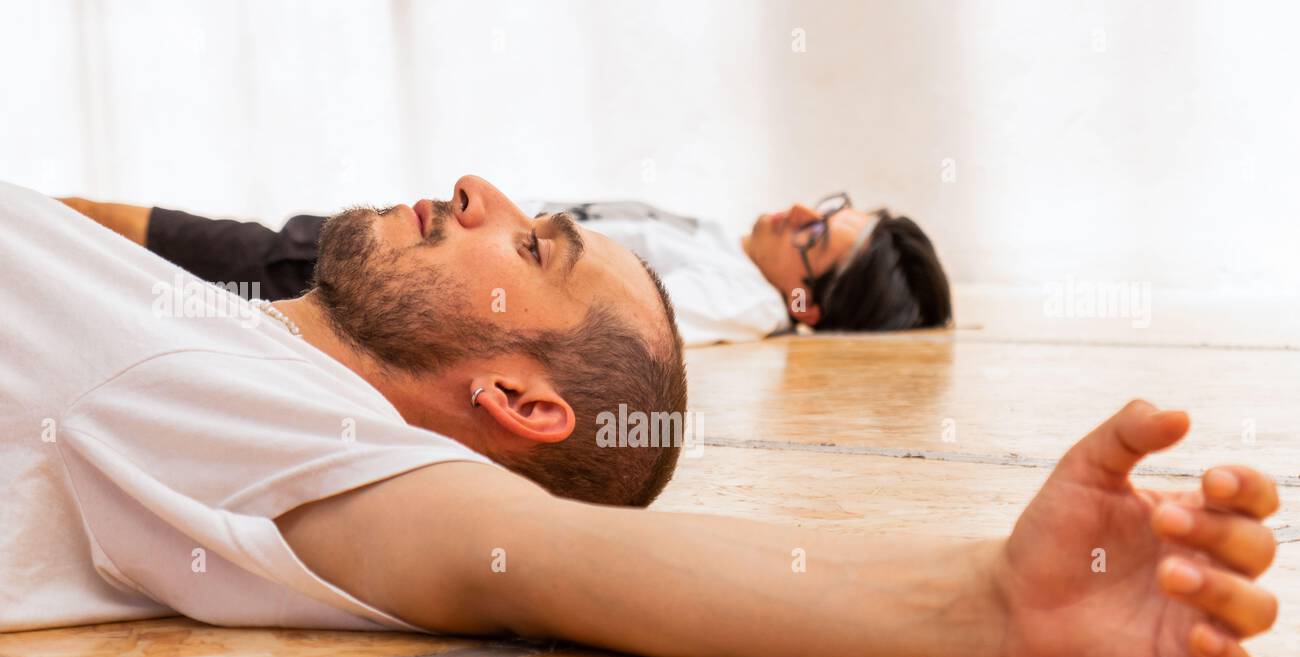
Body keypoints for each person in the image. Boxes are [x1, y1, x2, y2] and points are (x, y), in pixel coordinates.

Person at [3, 177, 1277, 657]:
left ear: (519, 404)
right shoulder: (215, 343)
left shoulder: (256, 416)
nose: (476, 192)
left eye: (532, 249)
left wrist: (990, 602)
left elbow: (551, 556)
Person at [60, 191, 952, 346]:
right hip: (407, 248)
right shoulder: (729, 253)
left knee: (160, 242)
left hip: (393, 269)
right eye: (829, 206)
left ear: (808, 301)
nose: (802, 213)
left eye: (819, 237)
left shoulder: (731, 303)